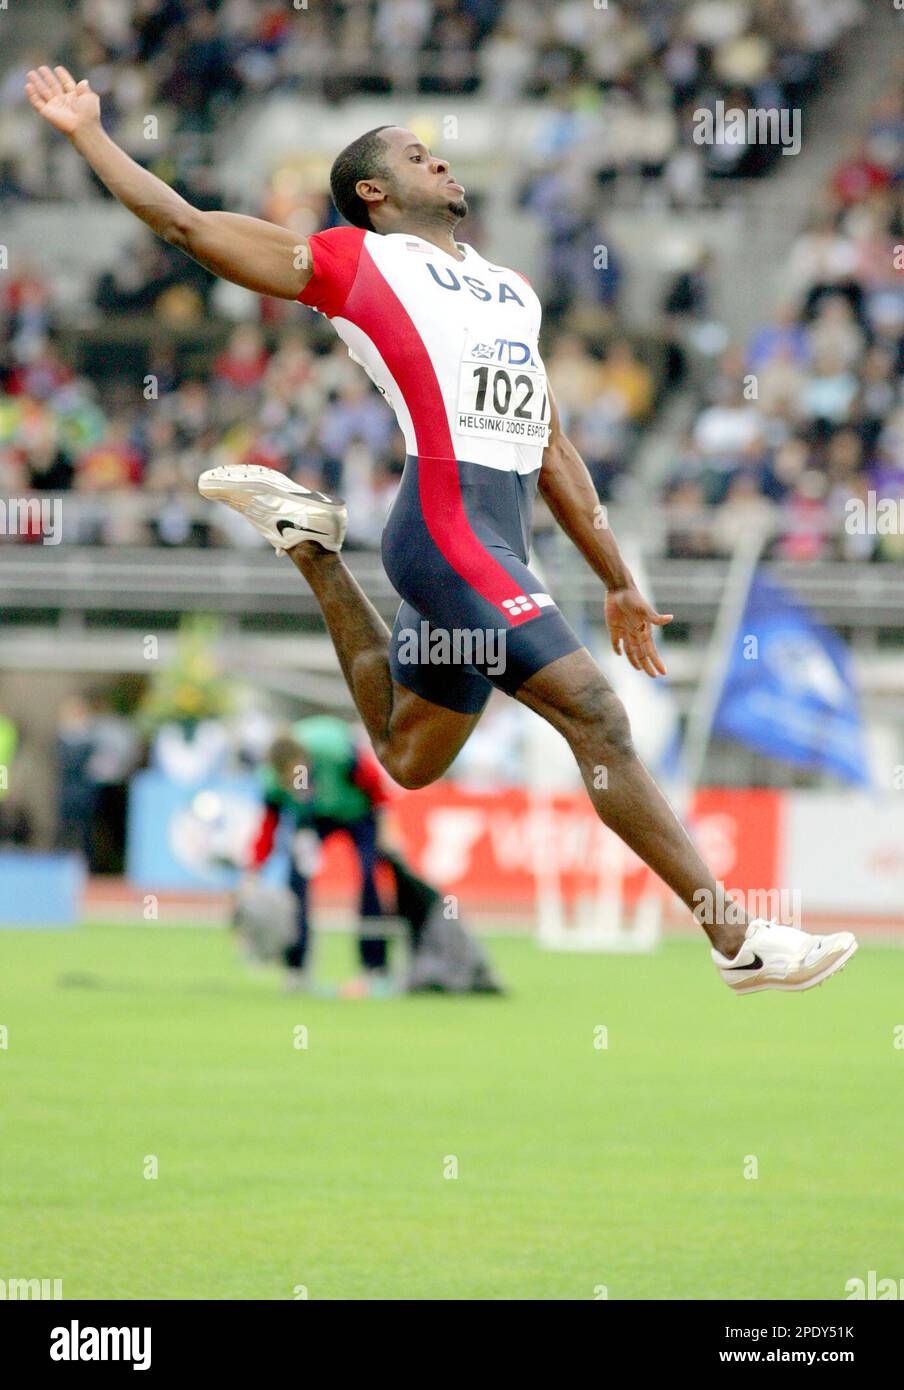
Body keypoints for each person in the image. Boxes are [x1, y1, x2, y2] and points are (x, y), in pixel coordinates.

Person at [27, 64, 858, 995]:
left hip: (499, 539)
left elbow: (553, 450)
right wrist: (89, 133)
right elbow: (187, 224)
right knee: (598, 715)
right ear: (374, 194)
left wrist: (620, 578)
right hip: (444, 528)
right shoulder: (352, 259)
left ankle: (310, 547)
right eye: (419, 155)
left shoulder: (511, 291)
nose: (444, 159)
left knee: (408, 754)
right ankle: (733, 934)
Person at [246, 718, 502, 994]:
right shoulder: (271, 780)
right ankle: (296, 967)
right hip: (314, 820)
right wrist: (253, 870)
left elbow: (377, 791)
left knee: (372, 880)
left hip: (360, 813)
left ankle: (374, 966)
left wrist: (387, 833)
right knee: (296, 881)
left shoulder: (337, 753)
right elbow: (269, 826)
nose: (295, 786)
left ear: (305, 760)